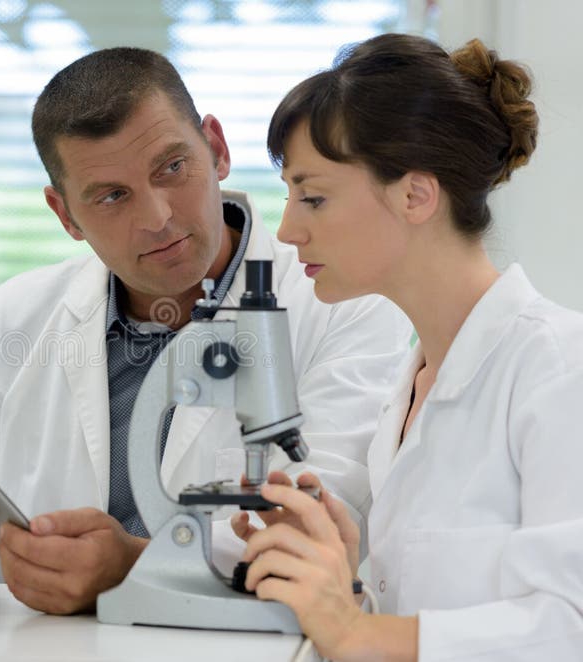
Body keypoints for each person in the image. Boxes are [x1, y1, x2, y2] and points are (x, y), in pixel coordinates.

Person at [0, 47, 411, 615]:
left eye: (172, 168)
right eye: (111, 196)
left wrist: (133, 566)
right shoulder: (4, 322)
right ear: (66, 216)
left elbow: (329, 521)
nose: (156, 216)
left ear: (217, 148)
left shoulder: (343, 303)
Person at [231, 33, 583, 660]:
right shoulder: (414, 382)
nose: (286, 230)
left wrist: (353, 628)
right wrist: (348, 579)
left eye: (313, 196)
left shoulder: (558, 367)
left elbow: (570, 626)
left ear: (416, 195)